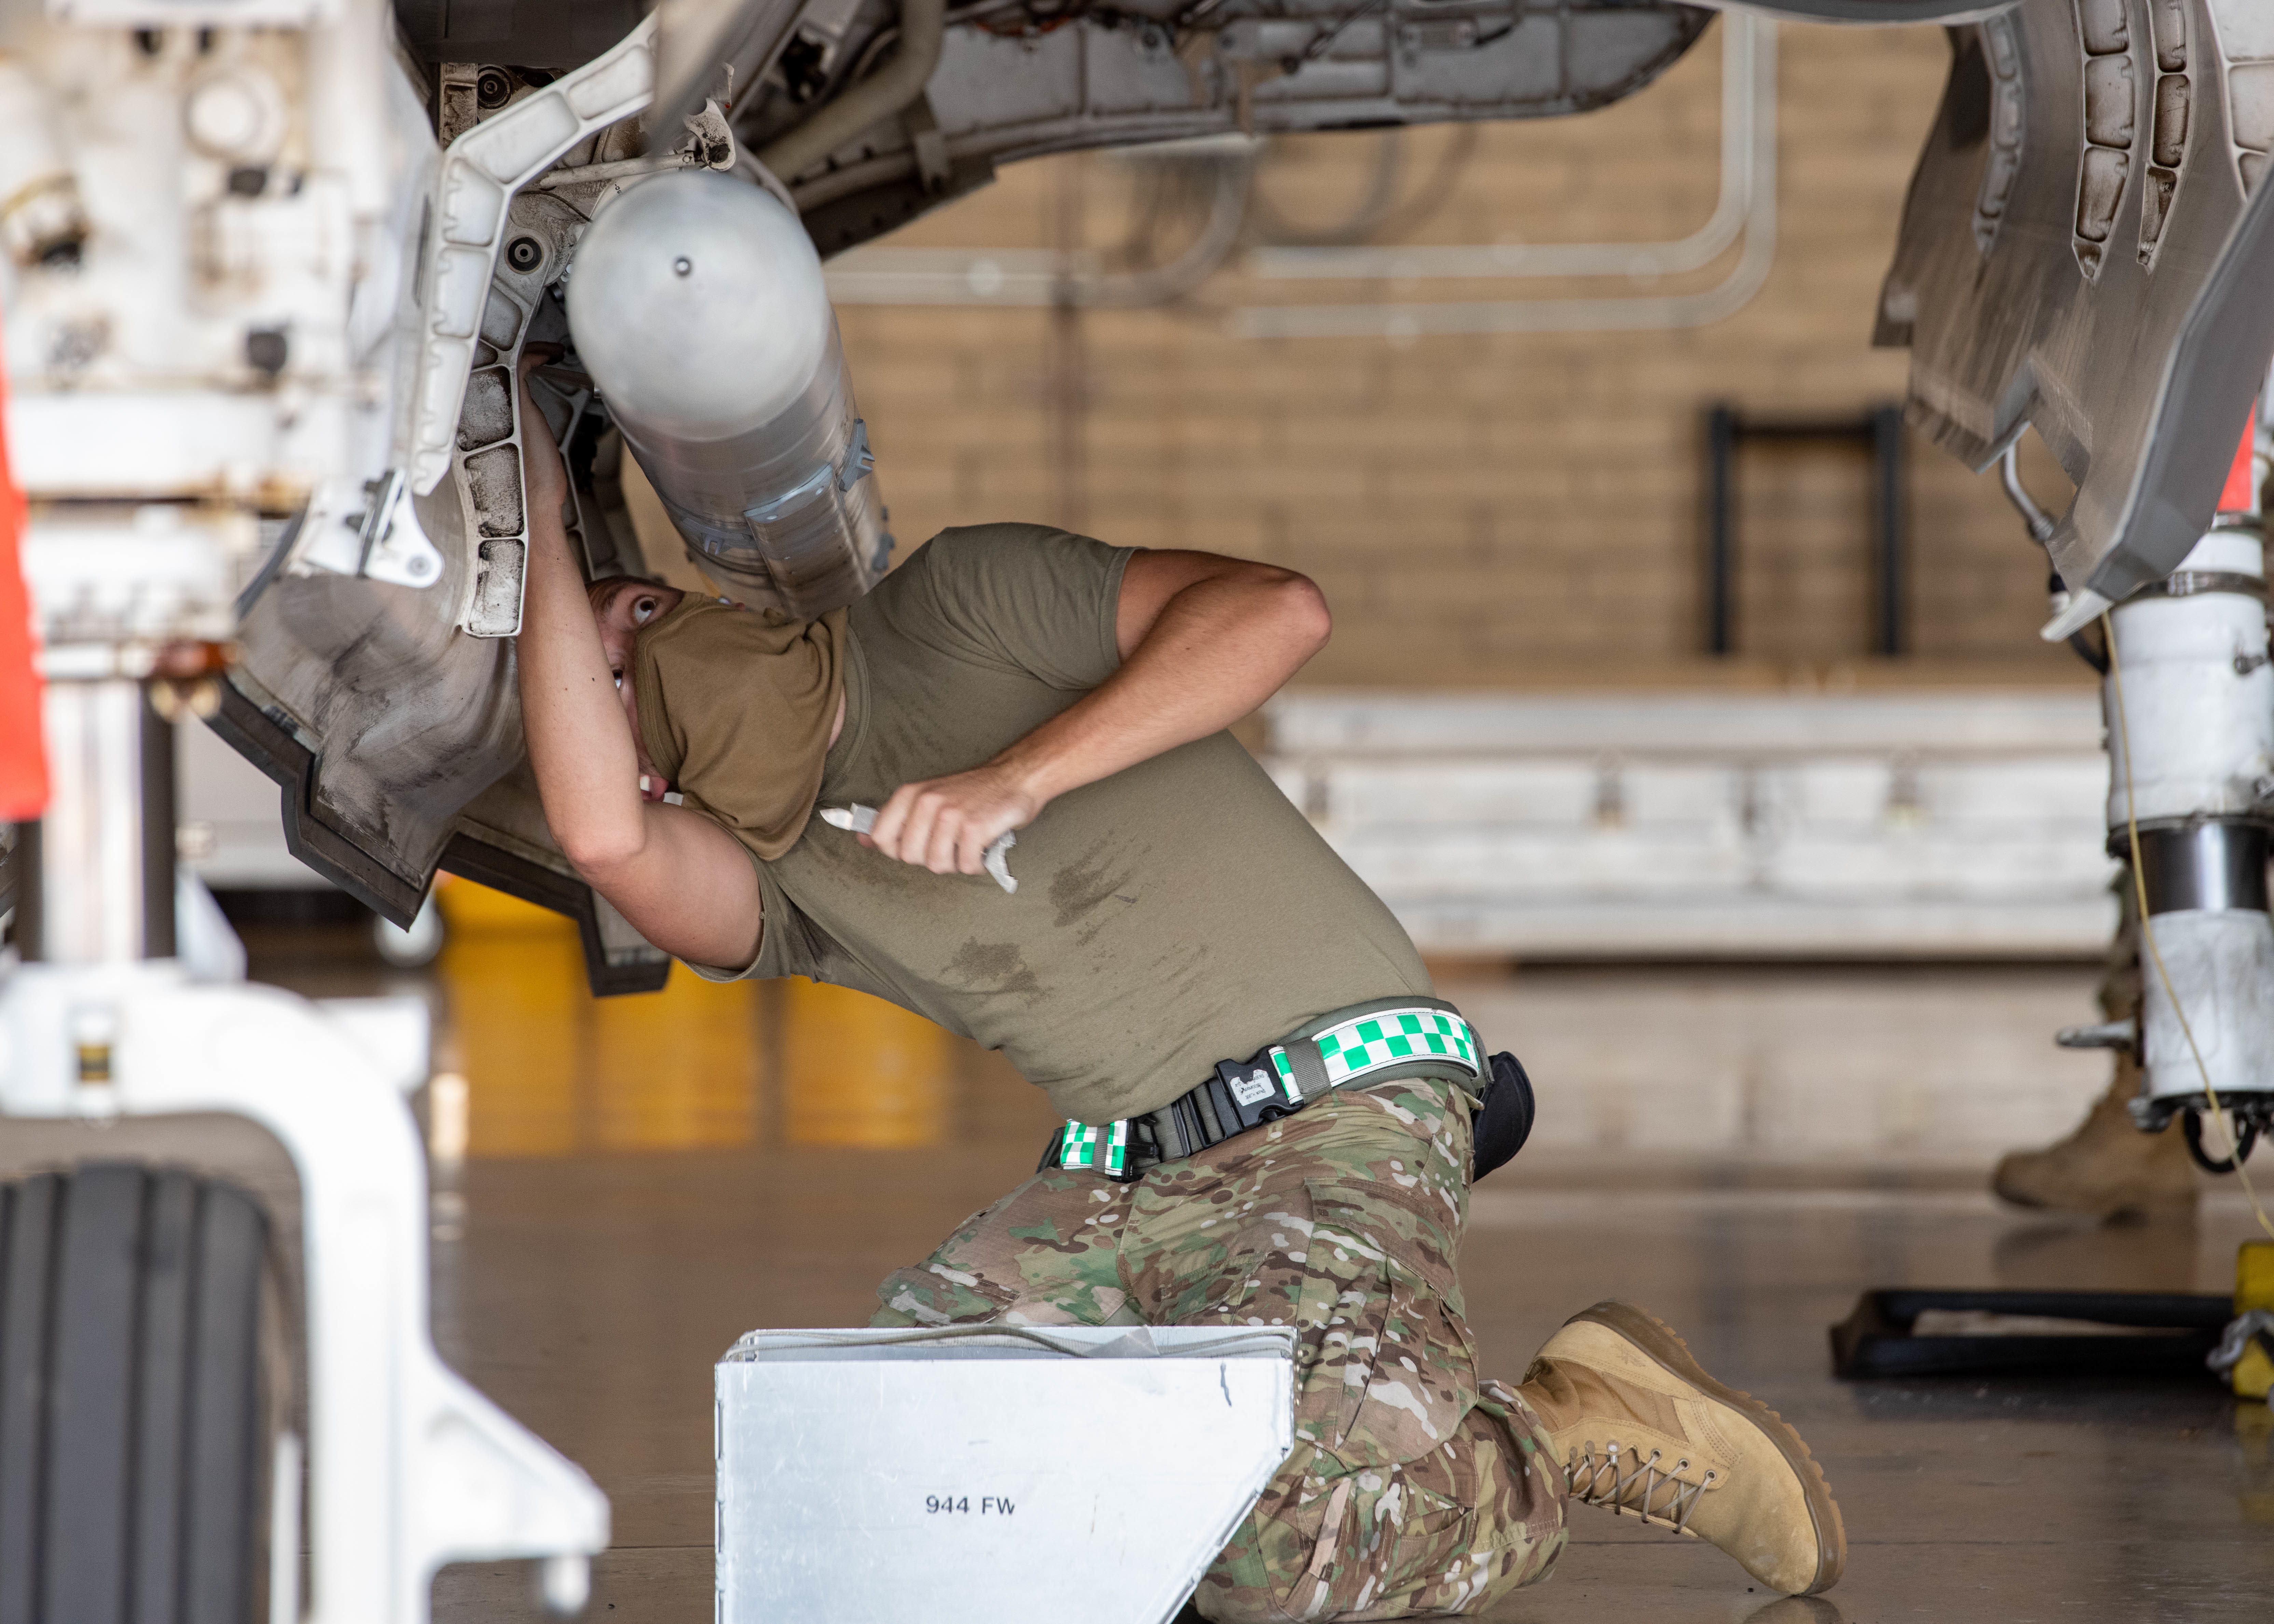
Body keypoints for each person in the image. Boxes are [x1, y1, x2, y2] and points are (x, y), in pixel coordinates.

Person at [514, 356, 1846, 1616]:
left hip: (1340, 1100)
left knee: (1284, 1558)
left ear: (720, 604)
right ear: (645, 768)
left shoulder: (949, 606)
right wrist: (530, 513)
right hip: (1119, 1179)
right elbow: (601, 840)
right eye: (609, 683)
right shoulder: (783, 875)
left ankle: (1562, 1427)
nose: (633, 655)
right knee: (912, 1461)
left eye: (640, 610)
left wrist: (1021, 775)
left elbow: (1278, 611)